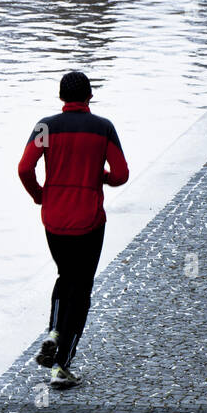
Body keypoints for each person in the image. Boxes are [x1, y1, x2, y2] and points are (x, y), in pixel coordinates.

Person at [17, 70, 129, 388]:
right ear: (89, 96)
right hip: (89, 222)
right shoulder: (103, 128)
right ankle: (61, 364)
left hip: (54, 220)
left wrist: (41, 195)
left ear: (61, 98)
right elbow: (120, 174)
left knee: (65, 278)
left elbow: (25, 168)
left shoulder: (45, 126)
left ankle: (54, 332)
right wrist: (100, 176)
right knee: (80, 292)